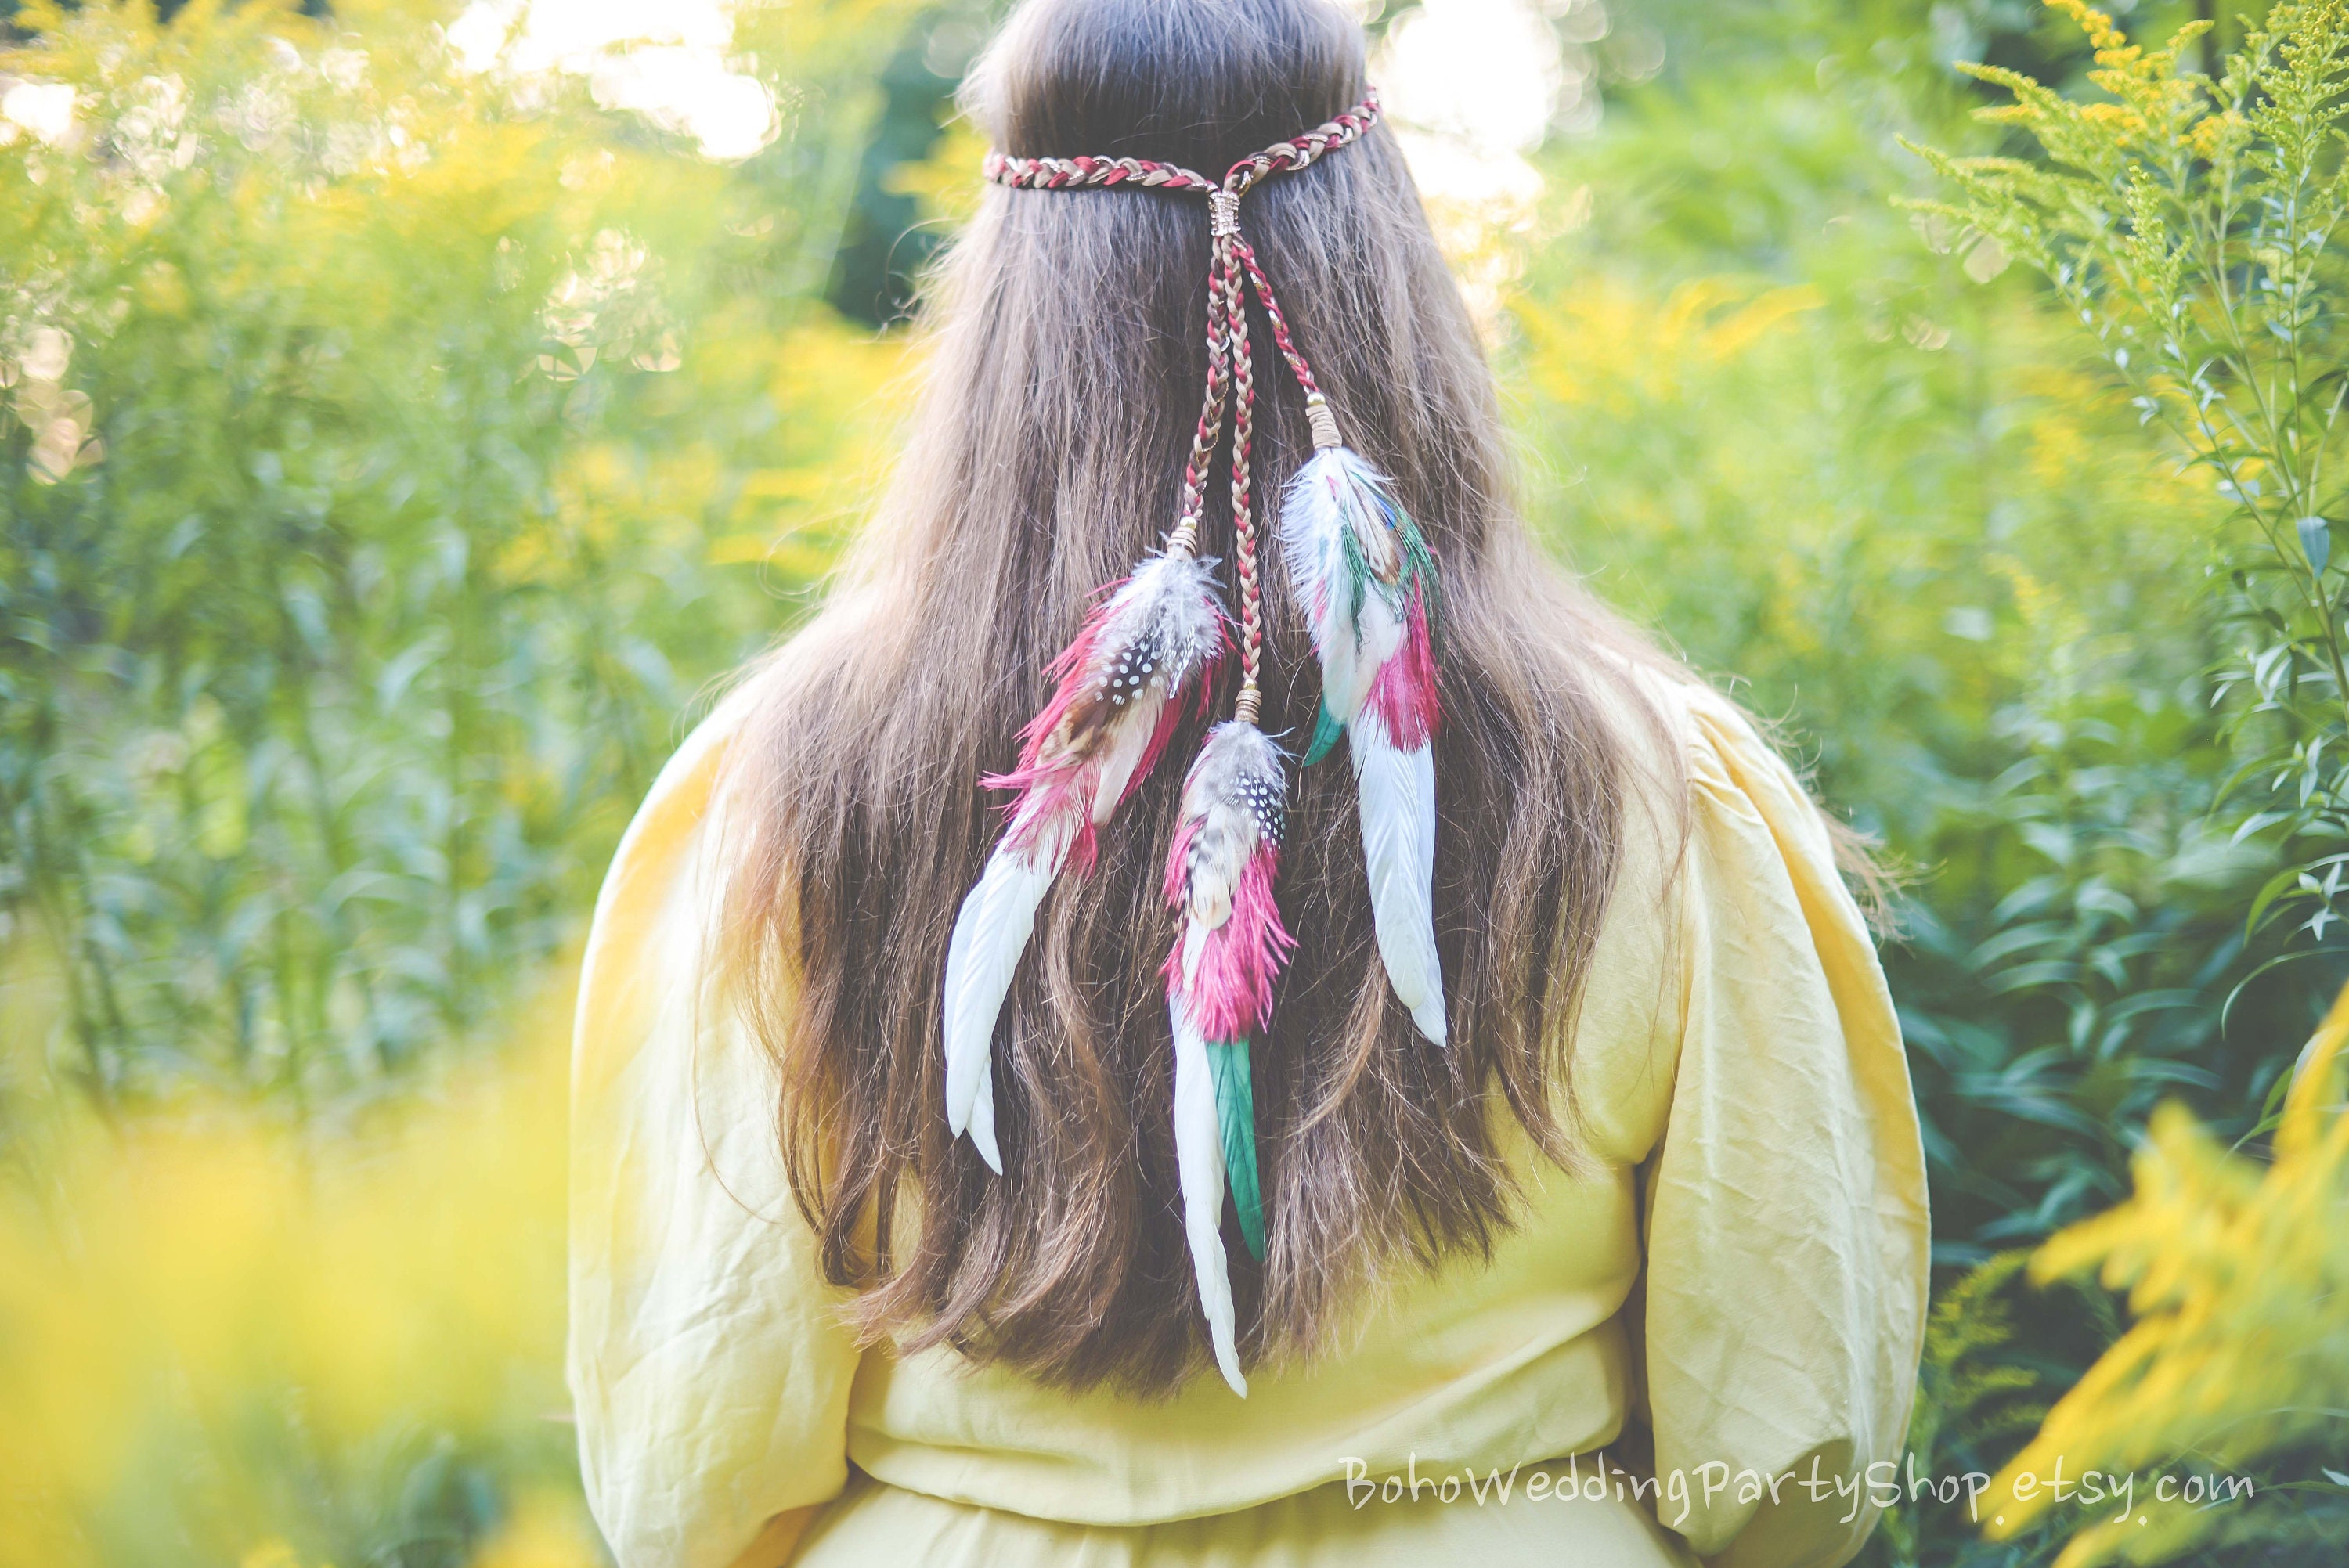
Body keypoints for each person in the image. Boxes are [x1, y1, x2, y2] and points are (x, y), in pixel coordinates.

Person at [566, 1, 1928, 1563]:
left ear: (1003, 298)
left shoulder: (791, 784)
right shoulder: (1650, 784)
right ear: (1389, 263)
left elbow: (698, 1453)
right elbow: (1782, 1439)